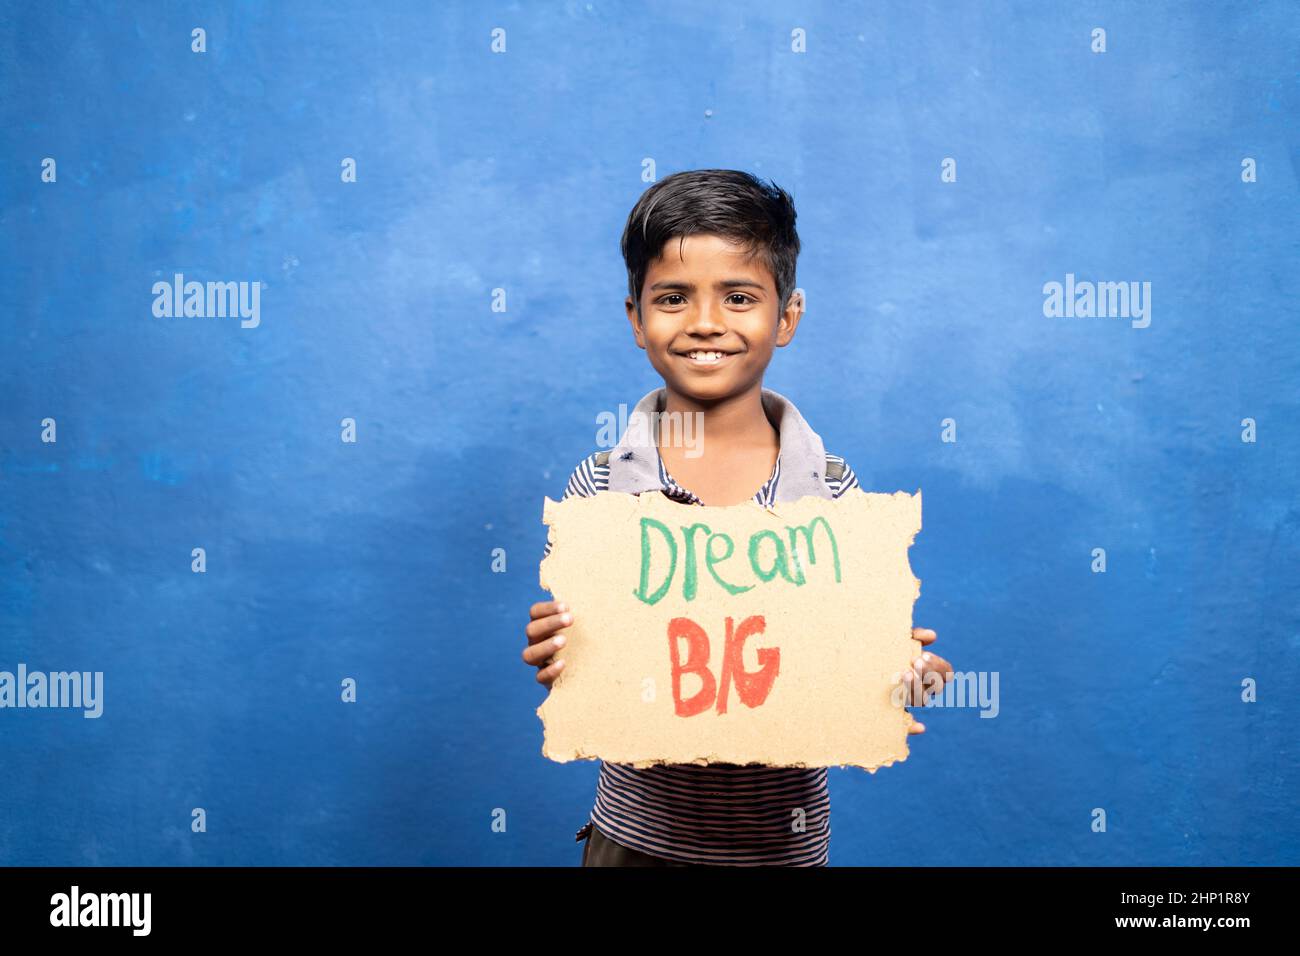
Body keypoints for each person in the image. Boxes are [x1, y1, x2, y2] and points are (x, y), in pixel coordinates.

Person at [523, 169, 955, 866]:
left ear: (786, 317)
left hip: (779, 849)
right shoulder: (601, 485)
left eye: (739, 297)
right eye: (672, 297)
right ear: (636, 319)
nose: (704, 322)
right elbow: (592, 656)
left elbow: (857, 662)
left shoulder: (833, 495)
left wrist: (902, 671)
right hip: (633, 841)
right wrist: (563, 654)